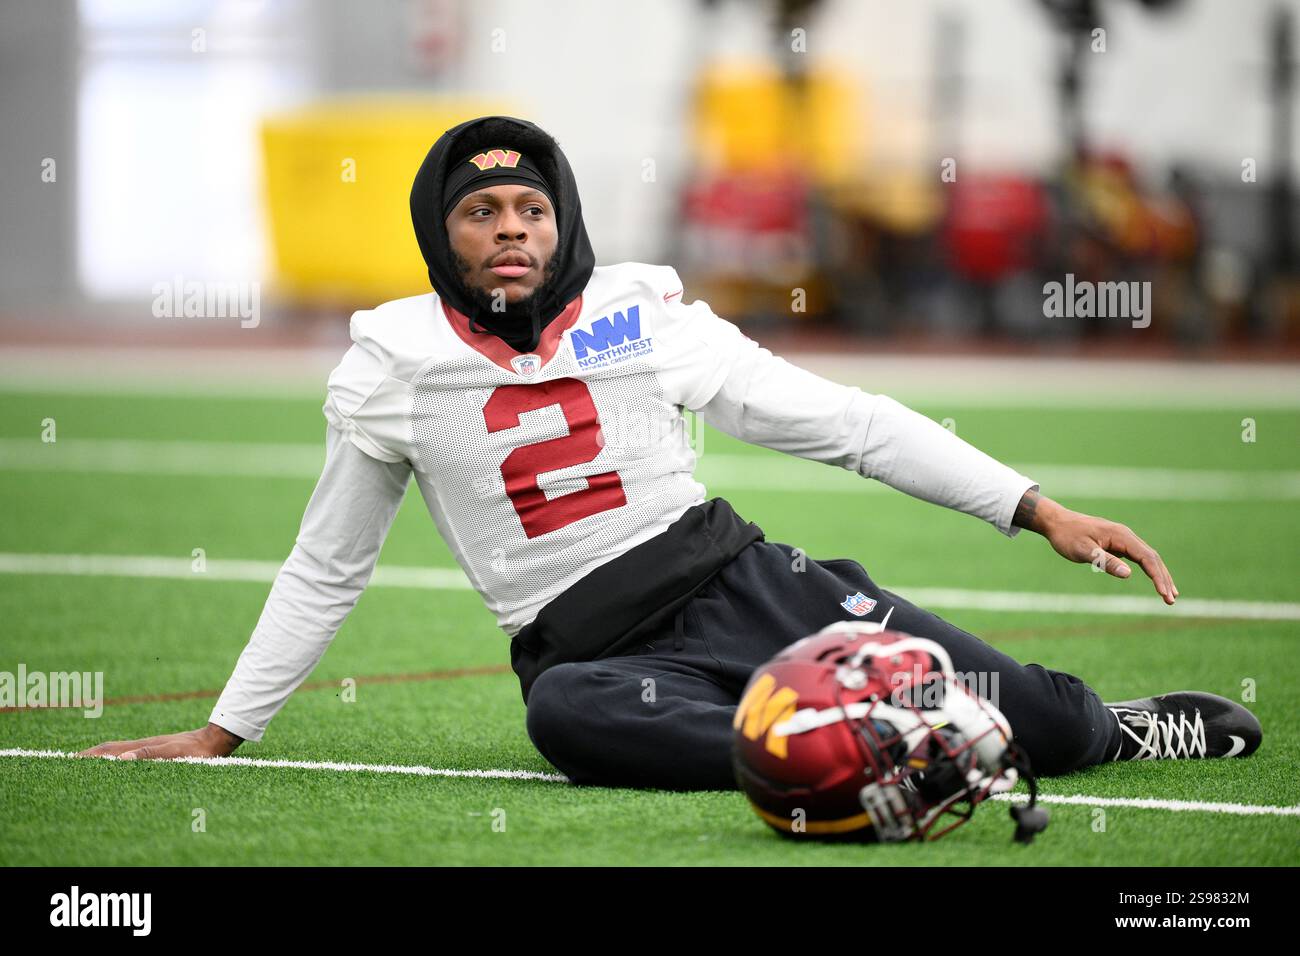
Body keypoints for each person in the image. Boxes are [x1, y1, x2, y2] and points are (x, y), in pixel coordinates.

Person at [79, 115, 1261, 789]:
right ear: (442, 235)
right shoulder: (391, 365)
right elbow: (327, 563)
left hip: (743, 586)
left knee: (1036, 732)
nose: (509, 232)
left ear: (563, 222)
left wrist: (1032, 505)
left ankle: (1114, 722)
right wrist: (224, 728)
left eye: (530, 211)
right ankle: (856, 752)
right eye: (481, 214)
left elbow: (841, 420)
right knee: (568, 725)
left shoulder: (643, 315)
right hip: (585, 653)